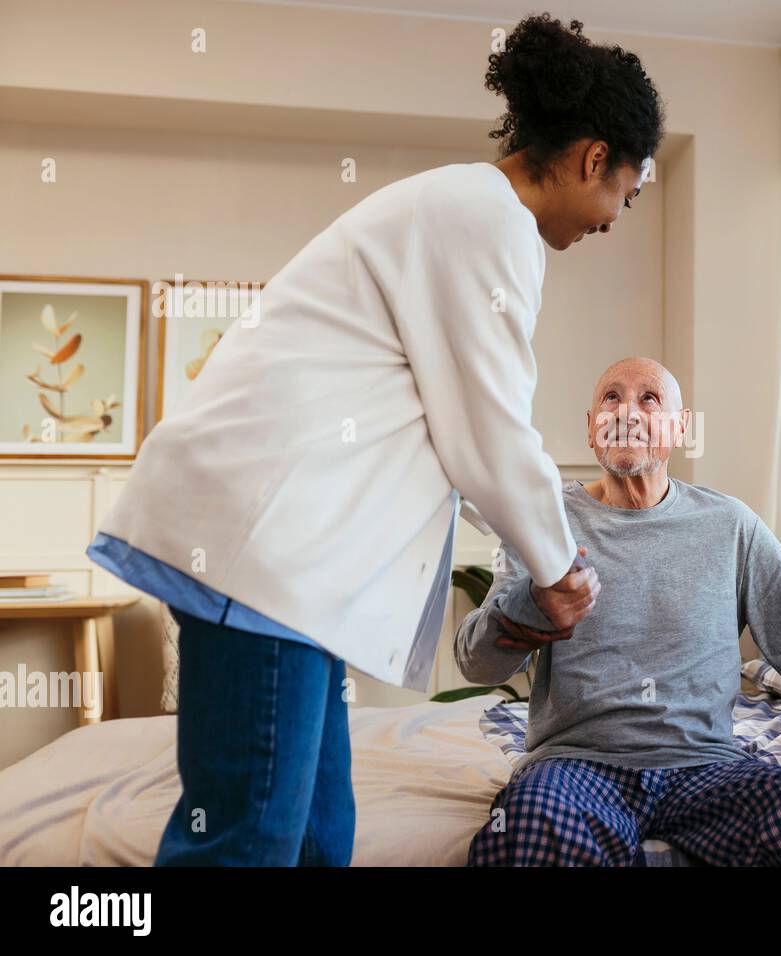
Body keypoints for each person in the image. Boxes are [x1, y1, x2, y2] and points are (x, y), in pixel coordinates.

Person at [85, 14, 664, 866]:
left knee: (321, 835)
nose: (617, 218)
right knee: (251, 836)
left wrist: (540, 553)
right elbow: (490, 433)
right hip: (270, 557)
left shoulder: (459, 208)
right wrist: (559, 568)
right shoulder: (488, 219)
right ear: (593, 158)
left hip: (287, 565)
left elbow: (447, 441)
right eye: (627, 193)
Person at [458, 358, 781, 866]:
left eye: (649, 398)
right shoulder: (544, 524)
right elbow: (477, 663)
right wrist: (532, 609)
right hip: (576, 765)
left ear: (680, 429)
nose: (627, 411)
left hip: (707, 769)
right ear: (591, 429)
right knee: (530, 826)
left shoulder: (731, 525)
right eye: (611, 398)